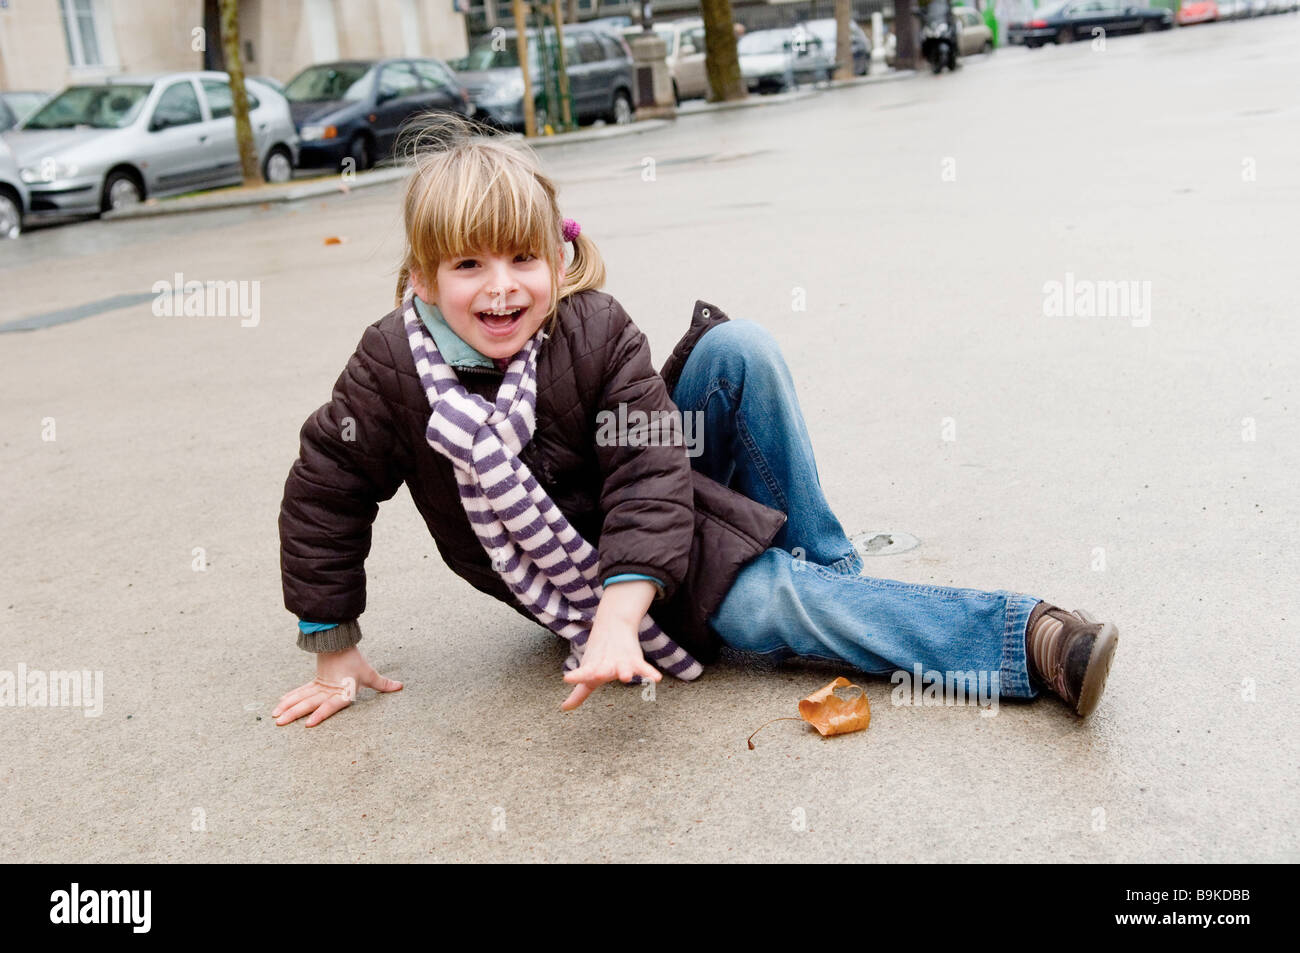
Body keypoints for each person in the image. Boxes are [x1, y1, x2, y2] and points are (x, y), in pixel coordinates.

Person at [273, 114, 1118, 728]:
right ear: (422, 278)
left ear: (554, 256)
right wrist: (332, 639)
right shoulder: (392, 369)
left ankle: (836, 576)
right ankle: (1030, 639)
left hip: (642, 515)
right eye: (469, 265)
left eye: (523, 258)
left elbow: (648, 470)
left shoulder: (592, 326)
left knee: (739, 348)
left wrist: (619, 610)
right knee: (770, 604)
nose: (502, 288)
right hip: (571, 564)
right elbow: (325, 489)